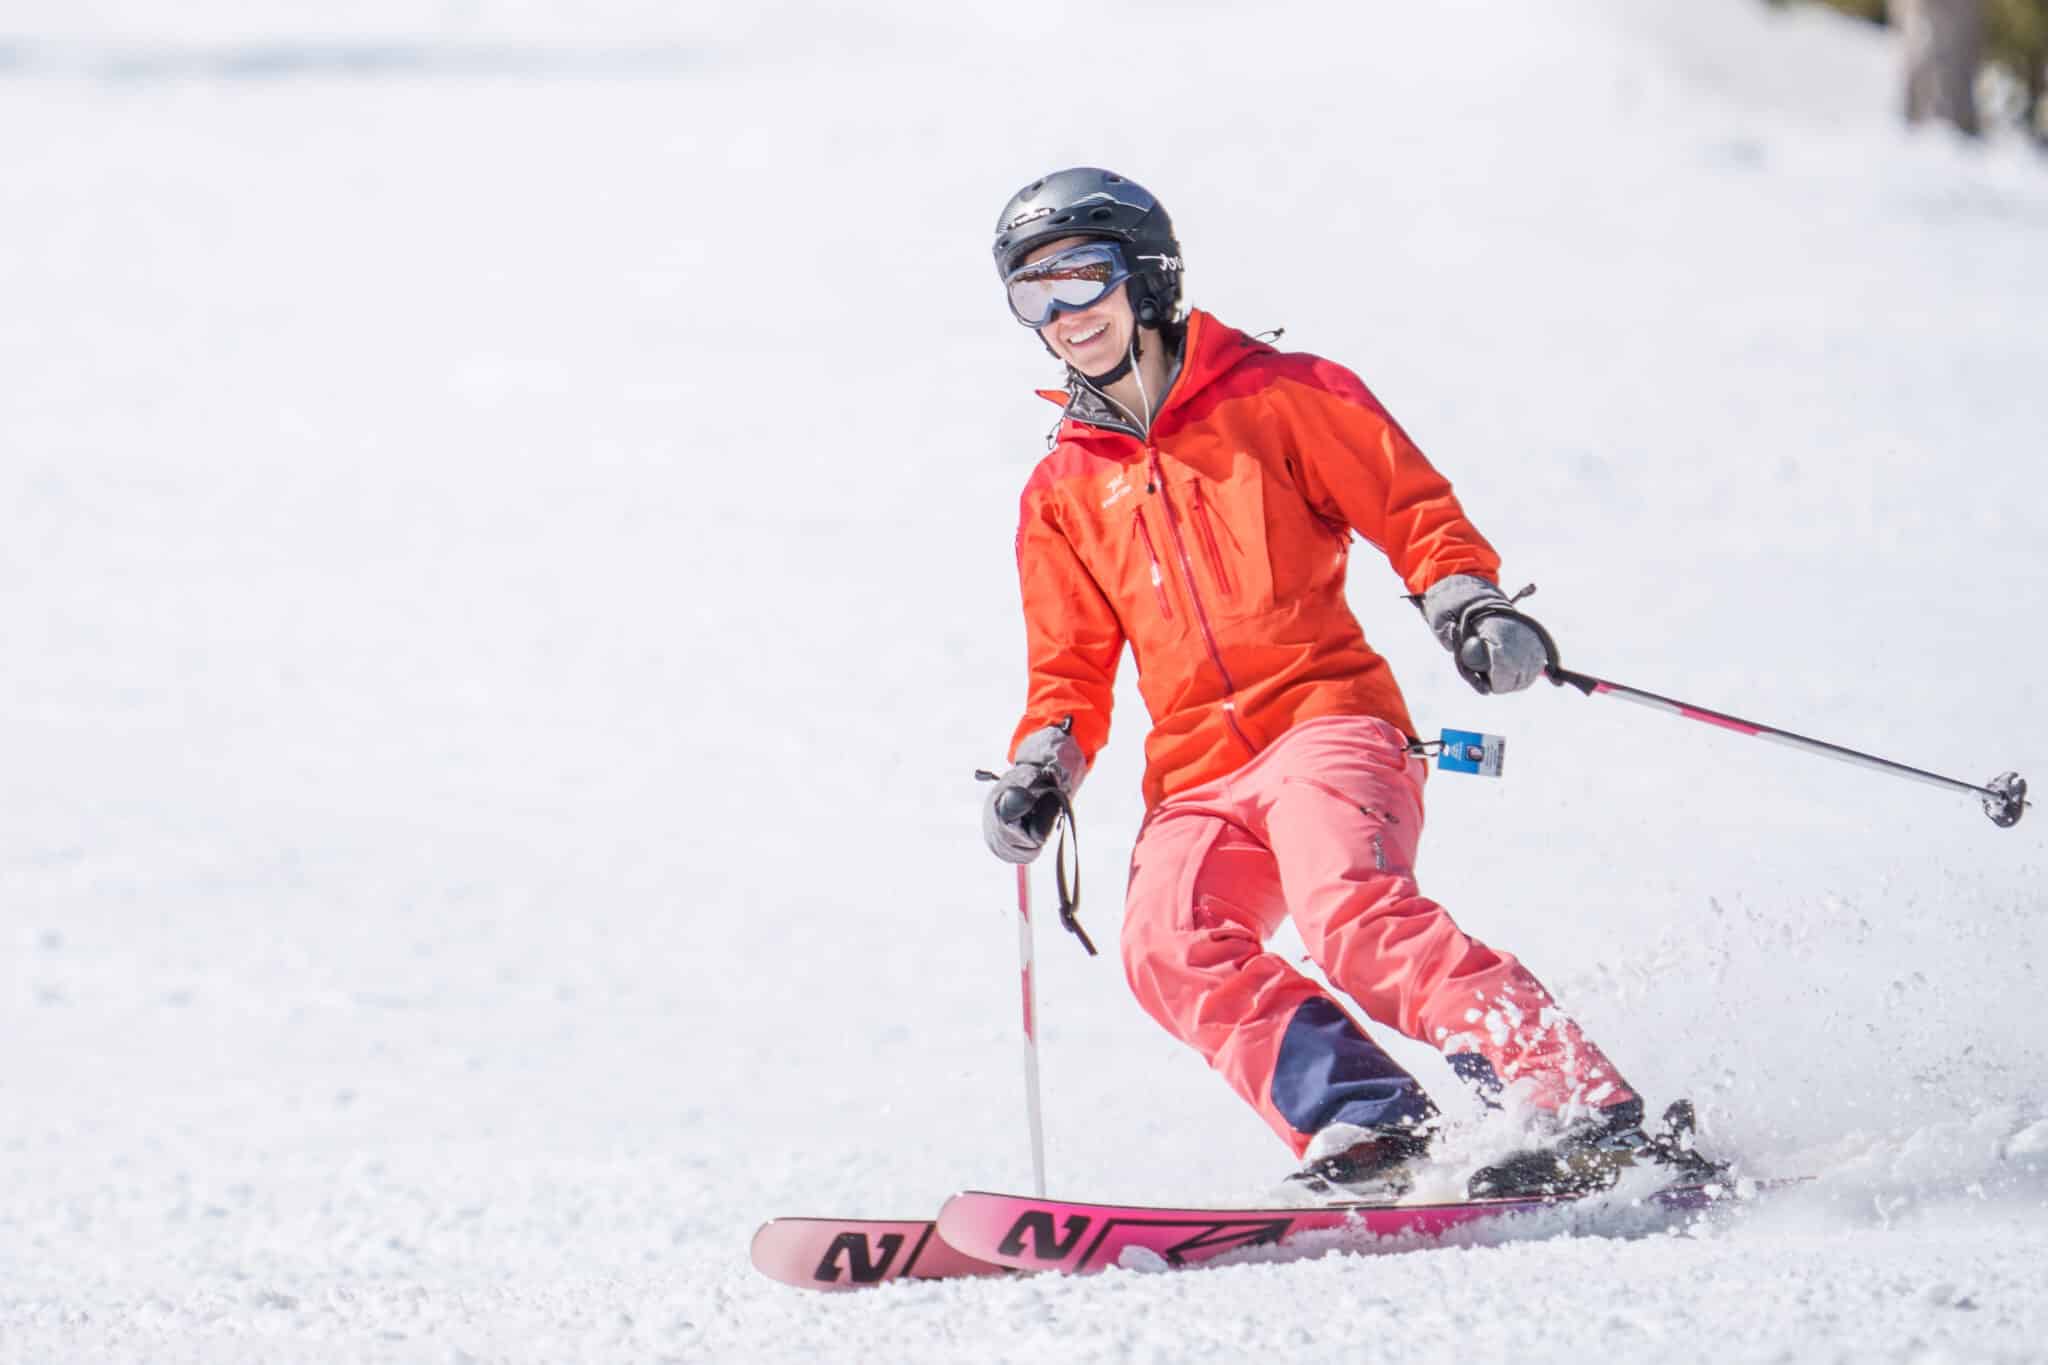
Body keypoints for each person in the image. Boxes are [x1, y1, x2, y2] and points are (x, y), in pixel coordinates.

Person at [978, 167, 1715, 1200]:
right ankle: (1364, 1120)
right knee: (1165, 944)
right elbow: (1068, 664)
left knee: (1349, 917)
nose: (1063, 314)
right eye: (1032, 294)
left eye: (1082, 278)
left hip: (1325, 724)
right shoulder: (1062, 490)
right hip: (1193, 777)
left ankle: (1570, 1099)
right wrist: (1042, 764)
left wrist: (1467, 604)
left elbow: (1407, 506)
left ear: (1144, 276)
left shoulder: (1279, 395)